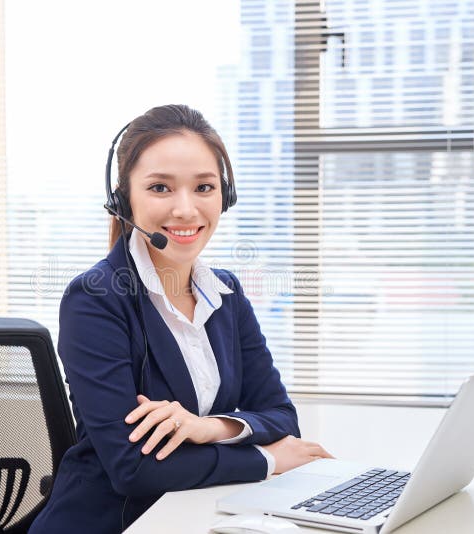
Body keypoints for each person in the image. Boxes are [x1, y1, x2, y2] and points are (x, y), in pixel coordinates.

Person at [28, 105, 332, 534]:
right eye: (160, 188)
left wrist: (209, 428)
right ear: (123, 199)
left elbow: (281, 415)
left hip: (198, 514)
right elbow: (133, 469)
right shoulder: (96, 298)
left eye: (204, 187)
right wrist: (267, 458)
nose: (186, 209)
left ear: (224, 196)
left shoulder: (225, 294)